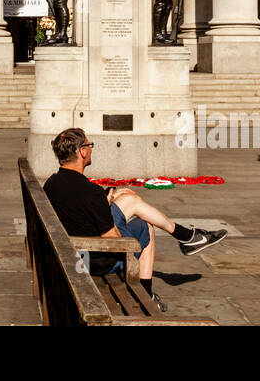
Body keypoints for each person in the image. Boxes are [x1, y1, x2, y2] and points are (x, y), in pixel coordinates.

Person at [42, 127, 226, 313]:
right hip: (90, 260)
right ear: (82, 151)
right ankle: (146, 295)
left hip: (68, 251)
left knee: (130, 200)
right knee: (145, 227)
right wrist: (109, 213)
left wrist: (107, 200)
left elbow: (76, 205)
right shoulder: (91, 193)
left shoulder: (51, 183)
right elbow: (114, 241)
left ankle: (186, 236)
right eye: (90, 145)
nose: (91, 149)